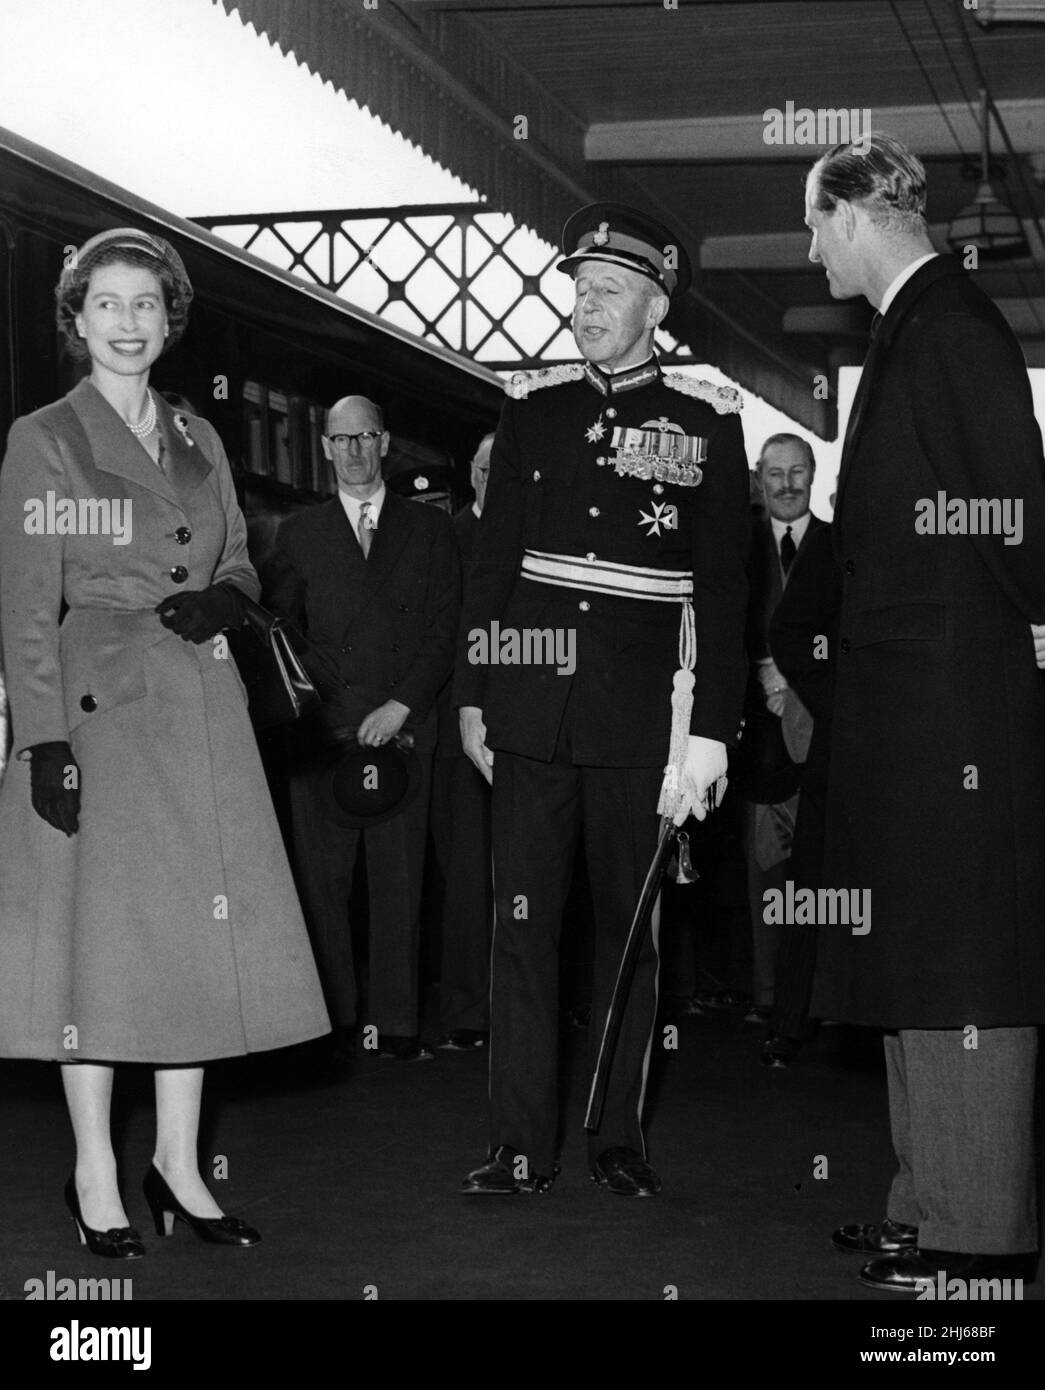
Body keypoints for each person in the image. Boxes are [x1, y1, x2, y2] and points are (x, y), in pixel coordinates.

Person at [0, 227, 330, 1258]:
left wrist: (228, 600)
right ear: (77, 318)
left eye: (146, 303)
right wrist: (43, 741)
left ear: (168, 317)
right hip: (101, 710)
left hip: (202, 709)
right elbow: (21, 604)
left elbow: (237, 556)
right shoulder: (43, 436)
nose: (129, 322)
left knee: (196, 946)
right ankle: (96, 1168)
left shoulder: (199, 437)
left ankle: (180, 1166)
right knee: (99, 954)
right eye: (108, 303)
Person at [455, 202, 750, 1197]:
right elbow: (493, 566)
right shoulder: (530, 409)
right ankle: (516, 1142)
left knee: (627, 934)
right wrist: (471, 694)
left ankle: (616, 1134)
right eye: (579, 290)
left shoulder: (706, 420)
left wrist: (709, 730)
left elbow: (725, 590)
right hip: (531, 712)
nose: (586, 307)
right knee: (522, 928)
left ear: (655, 305)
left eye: (608, 292)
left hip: (636, 727)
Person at [803, 133, 1045, 1291]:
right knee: (912, 961)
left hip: (954, 710)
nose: (809, 252)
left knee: (961, 973)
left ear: (854, 213)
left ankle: (974, 1242)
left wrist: (1017, 648)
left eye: (813, 226)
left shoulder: (950, 326)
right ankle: (925, 1202)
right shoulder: (911, 330)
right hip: (914, 707)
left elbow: (1015, 515)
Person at [264, 395, 459, 1063]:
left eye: (364, 437)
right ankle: (336, 1022)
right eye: (339, 439)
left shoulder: (429, 531)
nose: (352, 451)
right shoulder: (297, 534)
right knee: (326, 887)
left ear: (384, 443)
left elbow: (444, 632)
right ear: (323, 448)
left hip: (403, 728)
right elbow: (284, 636)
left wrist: (400, 706)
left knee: (400, 884)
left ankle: (397, 1025)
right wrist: (335, 712)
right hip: (327, 734)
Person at [730, 435, 826, 1028]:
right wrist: (758, 670)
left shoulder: (841, 547)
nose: (786, 484)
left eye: (796, 472)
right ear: (758, 479)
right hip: (759, 747)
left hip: (823, 737)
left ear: (812, 475)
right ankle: (768, 997)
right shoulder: (737, 551)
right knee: (765, 871)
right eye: (774, 473)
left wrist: (797, 679)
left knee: (823, 877)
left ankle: (822, 997)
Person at [431, 432, 495, 1050]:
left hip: (528, 725)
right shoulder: (445, 538)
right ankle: (469, 1011)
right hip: (460, 725)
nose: (492, 480)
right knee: (468, 875)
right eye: (484, 469)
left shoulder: (538, 538)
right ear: (471, 474)